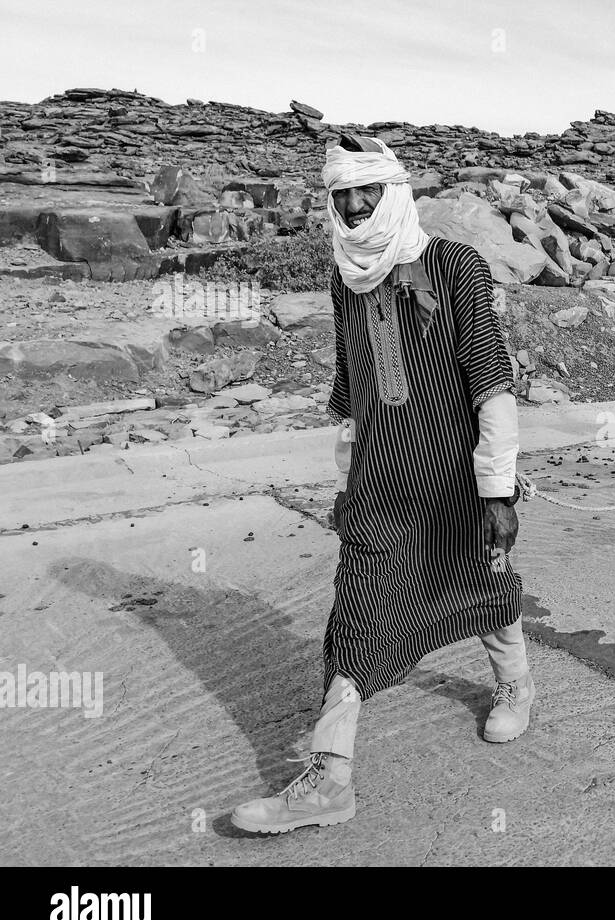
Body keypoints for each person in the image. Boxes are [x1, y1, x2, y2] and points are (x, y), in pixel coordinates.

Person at [232, 134, 534, 834]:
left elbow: (490, 380)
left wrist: (496, 491)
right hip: (381, 480)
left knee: (483, 583)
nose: (356, 204)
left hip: (456, 476)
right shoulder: (345, 278)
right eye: (341, 195)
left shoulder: (455, 264)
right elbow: (351, 391)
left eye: (366, 190)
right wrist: (345, 483)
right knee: (358, 615)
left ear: (394, 192)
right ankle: (331, 778)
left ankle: (515, 683)